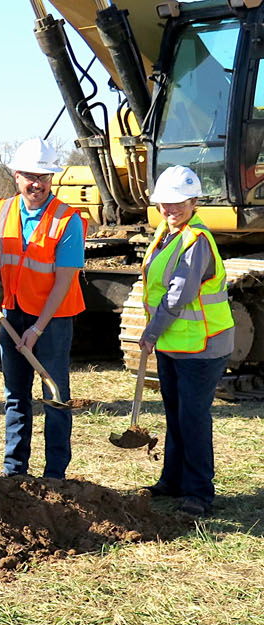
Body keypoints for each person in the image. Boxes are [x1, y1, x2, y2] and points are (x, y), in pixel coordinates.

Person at [140, 166, 234, 517]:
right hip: (174, 343)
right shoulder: (166, 233)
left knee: (193, 417)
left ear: (194, 202)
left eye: (179, 202)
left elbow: (178, 296)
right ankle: (173, 479)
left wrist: (150, 332)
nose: (171, 208)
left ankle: (198, 493)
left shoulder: (197, 241)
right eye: (165, 202)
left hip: (203, 345)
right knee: (175, 415)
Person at [0, 139, 85, 480]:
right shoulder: (2, 211)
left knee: (54, 395)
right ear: (17, 176)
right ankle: (14, 470)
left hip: (53, 320)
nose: (37, 183)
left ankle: (55, 474)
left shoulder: (68, 219)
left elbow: (63, 282)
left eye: (44, 176)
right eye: (30, 175)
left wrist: (38, 329)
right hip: (11, 313)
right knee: (15, 395)